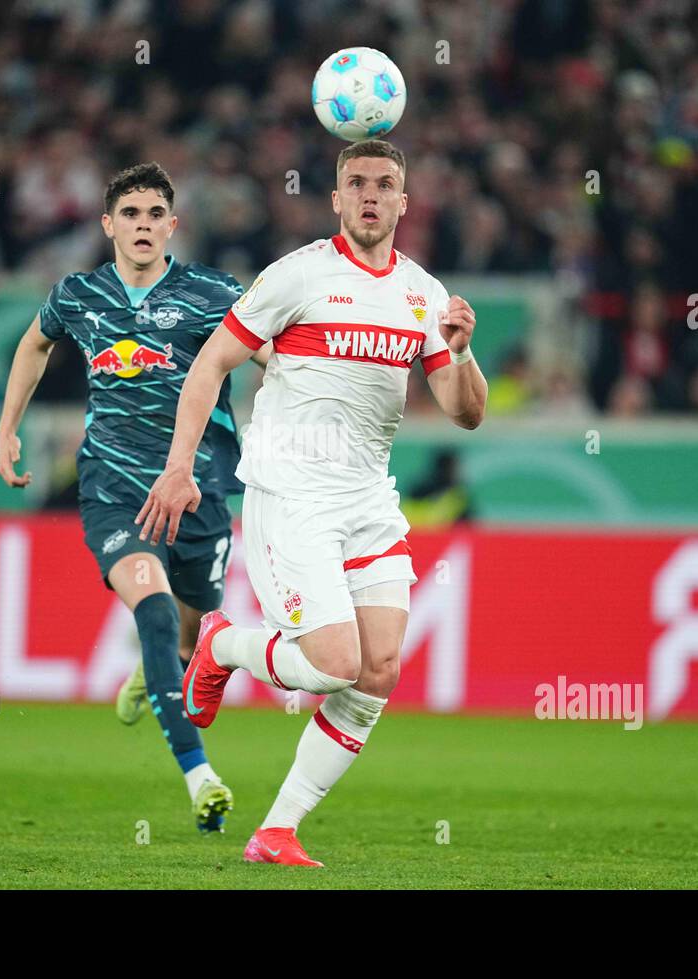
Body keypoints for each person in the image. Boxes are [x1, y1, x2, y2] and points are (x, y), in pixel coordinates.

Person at [137, 139, 488, 867]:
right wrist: (179, 467)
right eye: (355, 182)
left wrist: (459, 352)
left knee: (380, 668)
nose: (369, 194)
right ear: (335, 198)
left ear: (403, 201)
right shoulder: (297, 276)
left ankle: (278, 829)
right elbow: (211, 363)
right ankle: (223, 644)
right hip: (290, 492)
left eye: (383, 184)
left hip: (367, 499)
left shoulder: (422, 293)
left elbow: (466, 413)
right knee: (333, 662)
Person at [0, 162, 268, 833]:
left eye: (155, 215)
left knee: (194, 620)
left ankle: (161, 668)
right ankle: (200, 776)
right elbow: (34, 343)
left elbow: (273, 356)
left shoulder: (212, 292)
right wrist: (6, 430)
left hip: (199, 488)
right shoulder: (78, 295)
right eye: (131, 214)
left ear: (172, 225)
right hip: (113, 489)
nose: (143, 225)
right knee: (147, 607)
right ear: (107, 224)